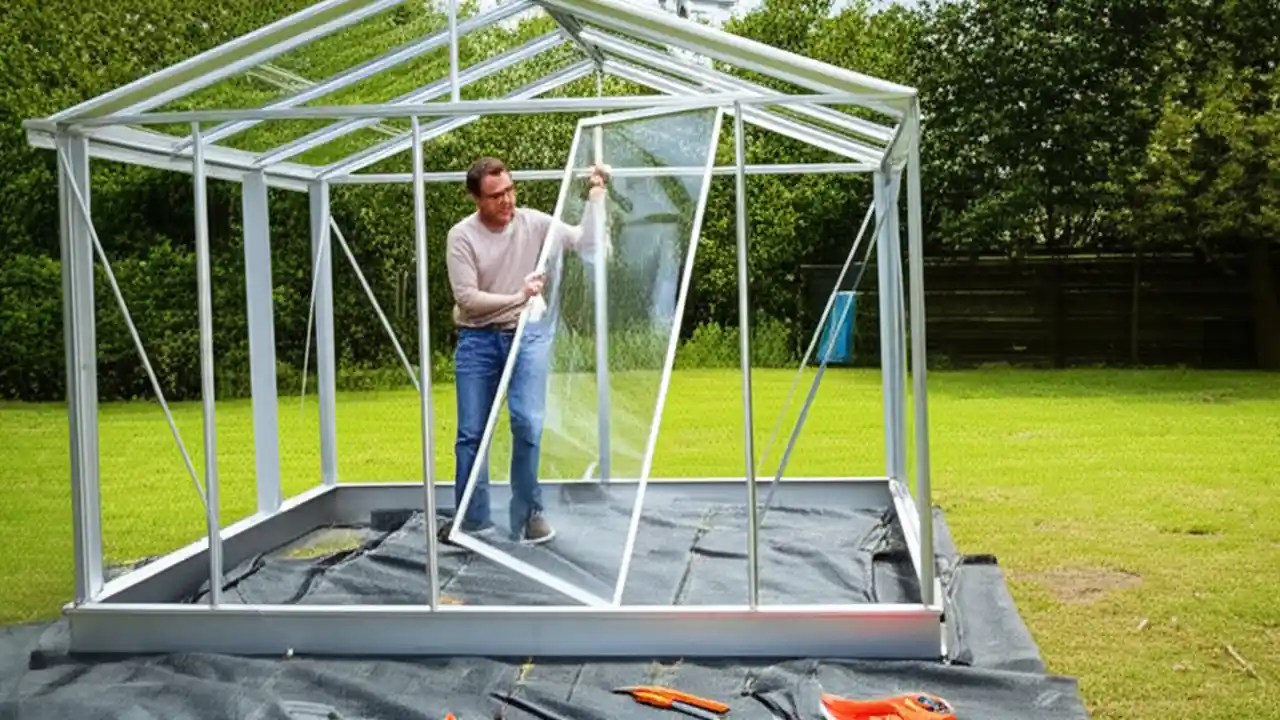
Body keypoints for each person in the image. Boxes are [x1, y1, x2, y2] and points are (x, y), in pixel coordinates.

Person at [444, 156, 609, 544]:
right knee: (471, 434)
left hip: (527, 335)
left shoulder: (533, 222)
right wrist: (518, 296)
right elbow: (467, 300)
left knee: (528, 423)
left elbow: (585, 242)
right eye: (495, 195)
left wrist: (595, 197)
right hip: (478, 340)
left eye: (510, 190)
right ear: (475, 199)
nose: (507, 200)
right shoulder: (462, 236)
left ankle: (529, 516)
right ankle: (471, 521)